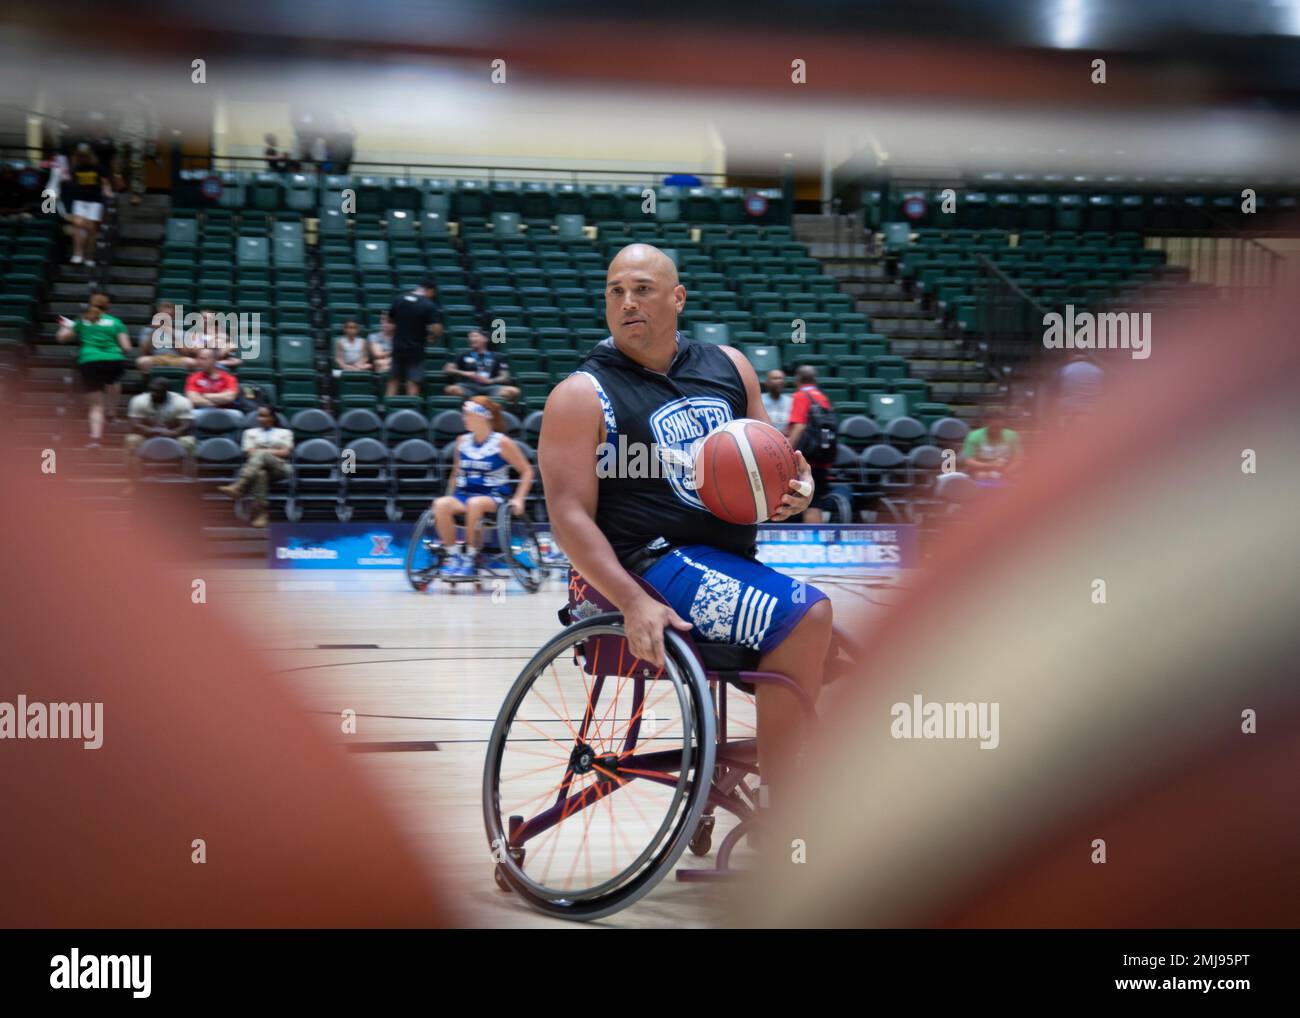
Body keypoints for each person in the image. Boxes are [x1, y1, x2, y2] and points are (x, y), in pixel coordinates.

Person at [539, 243, 825, 804]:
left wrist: (798, 489)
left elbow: (777, 461)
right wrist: (631, 600)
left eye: (642, 289)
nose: (627, 302)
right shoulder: (579, 395)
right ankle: (784, 802)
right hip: (647, 566)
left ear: (677, 297)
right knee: (807, 614)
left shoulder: (730, 366)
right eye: (615, 291)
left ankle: (776, 764)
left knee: (845, 655)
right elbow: (567, 517)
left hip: (728, 561)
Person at [428, 397, 534, 578]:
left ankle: (470, 557)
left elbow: (527, 471)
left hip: (493, 495)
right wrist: (449, 498)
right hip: (464, 494)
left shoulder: (502, 442)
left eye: (467, 415)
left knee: (475, 504)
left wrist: (519, 499)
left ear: (482, 417)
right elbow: (455, 473)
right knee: (440, 504)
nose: (464, 419)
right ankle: (454, 557)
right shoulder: (461, 441)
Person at [54, 300, 132, 448]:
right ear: (108, 307)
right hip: (113, 360)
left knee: (96, 406)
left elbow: (61, 338)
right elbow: (127, 348)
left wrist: (64, 326)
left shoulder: (82, 320)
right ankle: (112, 413)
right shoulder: (116, 322)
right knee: (113, 380)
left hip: (89, 362)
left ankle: (95, 439)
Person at [218, 406, 293, 528]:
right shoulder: (249, 433)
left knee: (260, 454)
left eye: (264, 416)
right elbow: (248, 452)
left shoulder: (285, 433)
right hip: (256, 468)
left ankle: (240, 485)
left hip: (280, 467)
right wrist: (272, 450)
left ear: (272, 418)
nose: (260, 418)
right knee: (261, 474)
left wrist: (262, 452)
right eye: (259, 415)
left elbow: (285, 453)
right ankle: (261, 514)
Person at [785, 365, 838, 524]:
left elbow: (799, 426)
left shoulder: (801, 396)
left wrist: (786, 451)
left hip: (806, 460)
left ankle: (808, 545)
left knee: (809, 504)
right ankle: (817, 543)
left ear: (798, 380)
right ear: (814, 380)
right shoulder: (822, 397)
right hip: (822, 457)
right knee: (816, 504)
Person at [386, 278, 443, 398]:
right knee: (412, 383)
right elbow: (437, 328)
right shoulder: (429, 305)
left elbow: (389, 321)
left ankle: (388, 412)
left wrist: (394, 335)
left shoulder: (399, 298)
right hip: (416, 350)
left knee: (393, 381)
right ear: (430, 291)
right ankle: (412, 413)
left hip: (398, 347)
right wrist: (433, 337)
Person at [124, 377, 195, 470]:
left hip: (174, 435)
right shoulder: (139, 400)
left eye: (157, 391)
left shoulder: (181, 402)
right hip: (147, 435)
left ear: (166, 392)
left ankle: (187, 476)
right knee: (131, 440)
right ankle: (132, 476)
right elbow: (134, 424)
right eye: (152, 390)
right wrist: (152, 431)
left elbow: (186, 426)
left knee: (189, 441)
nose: (153, 393)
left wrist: (172, 433)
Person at [63, 143, 111, 267]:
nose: (83, 158)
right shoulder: (76, 168)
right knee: (77, 225)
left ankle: (90, 256)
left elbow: (105, 183)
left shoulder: (98, 168)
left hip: (94, 201)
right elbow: (71, 183)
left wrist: (107, 190)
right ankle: (78, 254)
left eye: (85, 155)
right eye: (80, 156)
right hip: (79, 200)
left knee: (91, 230)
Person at [442, 328, 520, 403]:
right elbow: (447, 370)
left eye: (475, 336)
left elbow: (505, 377)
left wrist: (490, 381)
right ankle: (475, 403)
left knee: (514, 391)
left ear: (485, 339)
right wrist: (465, 373)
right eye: (470, 337)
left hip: (490, 387)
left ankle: (488, 405)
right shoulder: (462, 354)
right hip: (468, 386)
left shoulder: (497, 356)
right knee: (451, 389)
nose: (471, 339)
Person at [135, 300, 193, 374]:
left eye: (170, 315)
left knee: (191, 362)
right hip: (157, 358)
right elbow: (144, 352)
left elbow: (186, 353)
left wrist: (170, 333)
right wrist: (153, 332)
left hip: (176, 359)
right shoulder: (147, 330)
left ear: (174, 317)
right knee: (142, 361)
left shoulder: (182, 332)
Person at [960, 414, 1024, 480]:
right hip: (981, 470)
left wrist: (1006, 472)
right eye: (993, 427)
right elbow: (968, 461)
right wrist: (989, 467)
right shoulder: (974, 436)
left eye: (999, 428)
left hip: (1006, 470)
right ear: (986, 424)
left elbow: (1018, 459)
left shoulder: (1012, 435)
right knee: (979, 475)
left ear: (1003, 425)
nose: (996, 430)